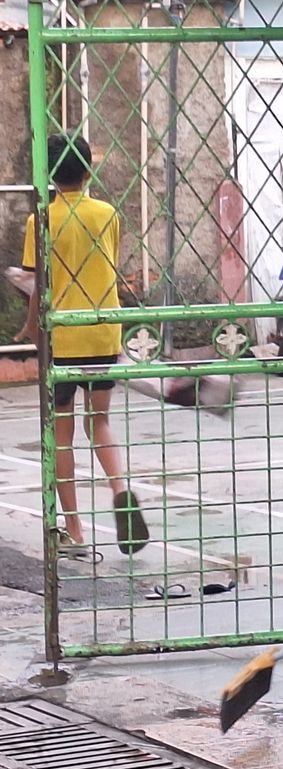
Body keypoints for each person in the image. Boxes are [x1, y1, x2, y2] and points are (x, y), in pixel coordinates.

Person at [15, 132, 148, 560]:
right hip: (103, 330)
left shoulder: (42, 220)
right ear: (89, 171)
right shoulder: (107, 214)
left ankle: (74, 530)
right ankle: (121, 489)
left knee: (62, 436)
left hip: (64, 337)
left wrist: (30, 327)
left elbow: (39, 285)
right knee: (101, 422)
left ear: (50, 176)